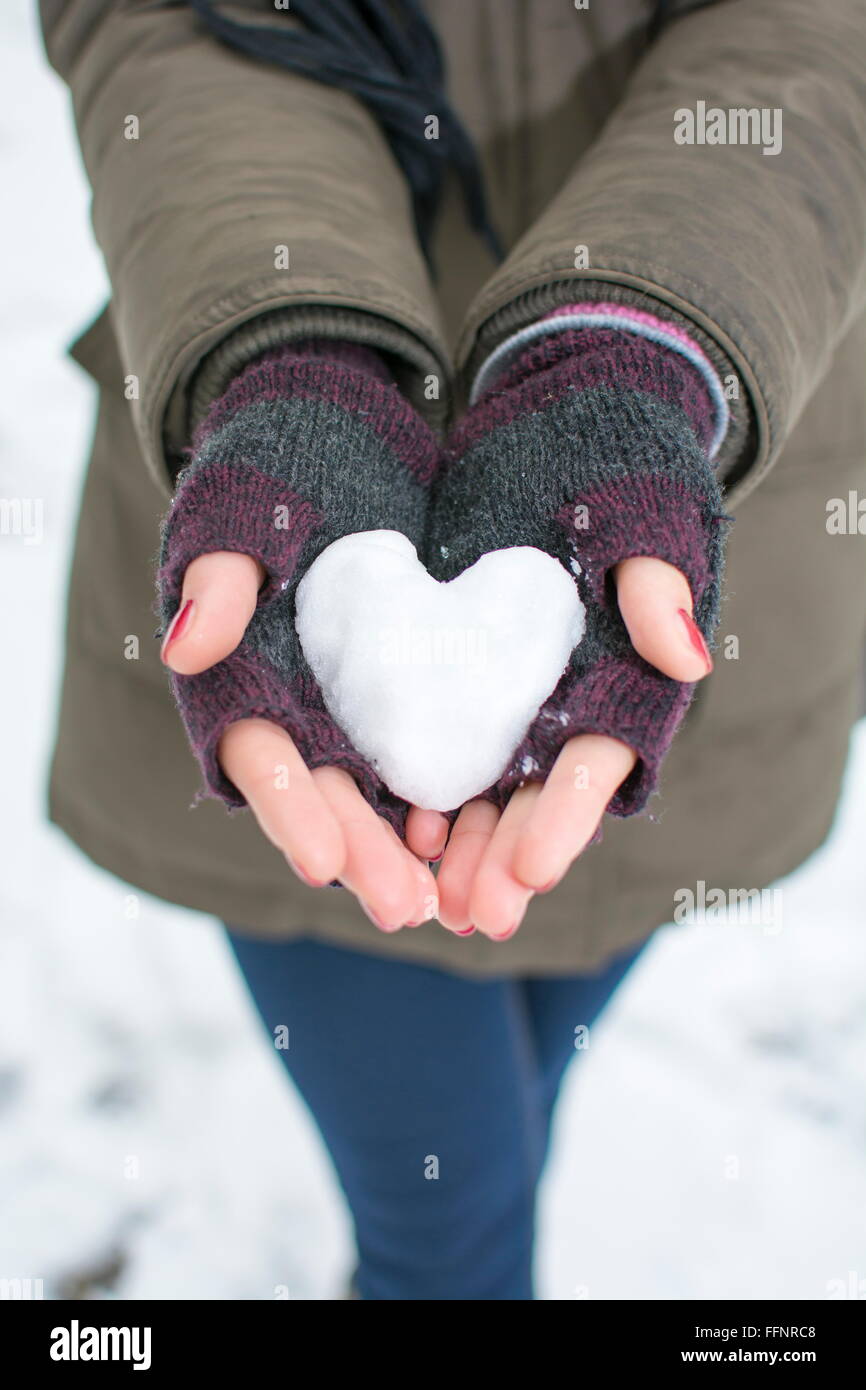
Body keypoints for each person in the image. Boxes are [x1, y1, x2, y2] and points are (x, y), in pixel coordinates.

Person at [39, 0, 866, 1300]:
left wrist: (631, 352)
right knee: (450, 1223)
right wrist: (294, 351)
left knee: (516, 1121)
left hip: (690, 510)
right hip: (264, 549)